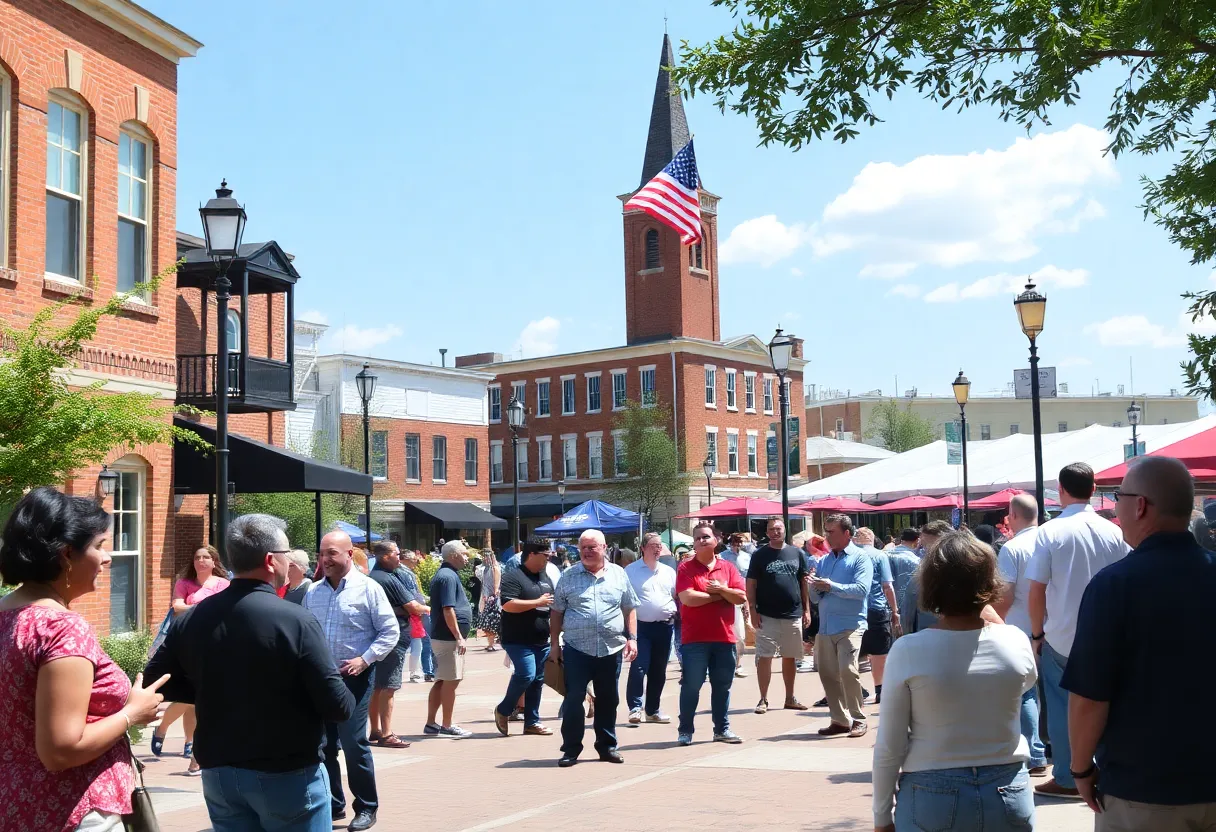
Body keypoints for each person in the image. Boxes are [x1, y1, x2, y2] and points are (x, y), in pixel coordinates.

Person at [147, 514, 355, 832]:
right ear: (272, 560)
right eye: (287, 555)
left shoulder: (194, 617)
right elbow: (338, 705)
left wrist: (211, 691)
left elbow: (156, 680)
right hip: (286, 771)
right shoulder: (296, 620)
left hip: (220, 771)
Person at [0, 487, 169, 832]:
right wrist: (131, 714)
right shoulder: (62, 628)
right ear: (66, 555)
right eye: (99, 546)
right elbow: (60, 750)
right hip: (73, 809)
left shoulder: (6, 614)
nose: (108, 558)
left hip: (13, 804)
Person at [1063, 457, 1216, 827]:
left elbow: (1089, 698)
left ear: (1140, 505)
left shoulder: (1113, 586)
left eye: (1118, 497)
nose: (1116, 508)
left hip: (1143, 791)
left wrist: (1080, 770)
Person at [872, 531, 1038, 832]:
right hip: (1007, 786)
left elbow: (890, 744)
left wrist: (882, 816)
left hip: (931, 789)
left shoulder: (909, 650)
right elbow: (1026, 682)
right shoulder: (1015, 640)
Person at [1026, 463, 1129, 798]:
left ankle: (1070, 775)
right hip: (1108, 632)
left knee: (1061, 708)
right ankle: (1106, 767)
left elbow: (1037, 588)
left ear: (1061, 488)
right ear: (1094, 486)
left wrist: (1037, 633)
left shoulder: (1050, 531)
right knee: (1108, 704)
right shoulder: (1113, 530)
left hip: (1061, 633)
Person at [303, 530, 399, 830]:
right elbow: (307, 634)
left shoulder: (368, 589)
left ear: (349, 554)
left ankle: (367, 807)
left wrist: (364, 659)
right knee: (324, 746)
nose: (325, 559)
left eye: (331, 552)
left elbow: (390, 632)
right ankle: (334, 804)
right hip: (322, 679)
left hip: (354, 679)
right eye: (322, 552)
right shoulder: (313, 592)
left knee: (353, 743)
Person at [551, 529, 639, 767]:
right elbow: (557, 612)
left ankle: (607, 747)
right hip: (576, 649)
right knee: (574, 700)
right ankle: (570, 749)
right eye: (583, 548)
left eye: (592, 547)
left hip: (611, 649)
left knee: (609, 700)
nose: (588, 552)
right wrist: (554, 646)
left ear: (604, 548)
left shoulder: (619, 574)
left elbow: (629, 607)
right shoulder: (568, 576)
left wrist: (632, 638)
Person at [151, 544, 230, 774]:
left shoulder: (223, 585)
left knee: (196, 699)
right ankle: (170, 732)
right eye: (197, 557)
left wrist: (193, 607)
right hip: (188, 643)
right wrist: (206, 608)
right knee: (191, 697)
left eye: (206, 557)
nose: (201, 561)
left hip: (215, 644)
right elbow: (177, 607)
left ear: (214, 562)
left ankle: (189, 744)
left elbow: (223, 609)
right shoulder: (184, 583)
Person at [991, 493, 1048, 776]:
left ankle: (1036, 753)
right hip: (1057, 627)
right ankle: (1050, 749)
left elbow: (1006, 594)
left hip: (1022, 629)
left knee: (1026, 693)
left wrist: (993, 623)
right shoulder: (1051, 540)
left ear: (1013, 517)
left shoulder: (1012, 548)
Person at [676, 521, 748, 745]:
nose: (701, 540)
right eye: (697, 538)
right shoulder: (685, 568)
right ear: (694, 545)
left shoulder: (728, 568)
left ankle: (722, 730)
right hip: (694, 639)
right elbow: (688, 598)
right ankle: (685, 730)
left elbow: (741, 597)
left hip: (724, 638)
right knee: (692, 686)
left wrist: (723, 590)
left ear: (716, 541)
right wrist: (721, 596)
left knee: (722, 687)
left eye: (706, 536)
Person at [810, 514, 874, 737]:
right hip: (826, 627)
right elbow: (817, 598)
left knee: (848, 670)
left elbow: (861, 590)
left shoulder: (860, 558)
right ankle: (839, 719)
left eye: (831, 531)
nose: (826, 536)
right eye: (826, 531)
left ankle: (858, 718)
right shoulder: (825, 560)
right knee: (827, 674)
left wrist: (830, 586)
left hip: (850, 625)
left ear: (847, 533)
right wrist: (814, 586)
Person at [746, 517, 811, 714]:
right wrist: (752, 610)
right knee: (764, 656)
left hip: (793, 614)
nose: (776, 532)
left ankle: (790, 697)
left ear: (785, 530)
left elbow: (803, 582)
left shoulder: (797, 553)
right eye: (772, 529)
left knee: (790, 656)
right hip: (766, 615)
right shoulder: (759, 555)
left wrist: (806, 609)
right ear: (767, 533)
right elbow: (751, 584)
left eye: (779, 528)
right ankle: (763, 699)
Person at [494, 541, 556, 736]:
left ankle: (532, 722)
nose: (548, 559)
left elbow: (552, 605)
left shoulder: (544, 577)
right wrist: (537, 602)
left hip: (541, 639)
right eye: (545, 555)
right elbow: (508, 604)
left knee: (537, 680)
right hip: (517, 639)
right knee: (526, 674)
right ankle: (503, 710)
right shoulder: (513, 576)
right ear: (531, 554)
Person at [367, 542, 424, 749]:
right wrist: (429, 608)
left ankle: (375, 729)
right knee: (388, 686)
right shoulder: (387, 578)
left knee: (378, 686)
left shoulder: (372, 578)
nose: (399, 558)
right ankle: (387, 733)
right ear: (384, 557)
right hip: (393, 637)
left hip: (377, 636)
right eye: (396, 554)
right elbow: (413, 606)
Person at [623, 532, 677, 725]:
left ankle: (652, 710)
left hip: (664, 628)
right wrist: (628, 633)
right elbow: (625, 602)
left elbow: (675, 595)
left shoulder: (668, 571)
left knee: (659, 670)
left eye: (660, 545)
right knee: (639, 667)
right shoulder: (631, 571)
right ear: (643, 548)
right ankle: (635, 708)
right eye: (654, 545)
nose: (658, 549)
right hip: (641, 628)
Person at [424, 540, 474, 737]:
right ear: (453, 555)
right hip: (447, 638)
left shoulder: (448, 574)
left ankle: (432, 723)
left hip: (444, 637)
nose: (467, 557)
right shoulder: (447, 577)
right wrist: (459, 636)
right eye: (464, 553)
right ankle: (446, 725)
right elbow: (448, 609)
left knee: (443, 681)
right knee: (451, 681)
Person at [853, 527, 898, 705]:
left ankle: (855, 688)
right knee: (879, 652)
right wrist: (895, 610)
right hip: (876, 608)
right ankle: (880, 690)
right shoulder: (880, 556)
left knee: (853, 651)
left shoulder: (851, 555)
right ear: (872, 539)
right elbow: (887, 586)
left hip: (854, 608)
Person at [898, 520, 952, 633]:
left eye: (929, 546)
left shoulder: (963, 572)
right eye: (923, 546)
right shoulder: (921, 571)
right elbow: (909, 610)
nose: (925, 551)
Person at [721, 532, 753, 677]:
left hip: (743, 598)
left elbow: (750, 580)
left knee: (741, 634)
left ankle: (737, 663)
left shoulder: (748, 558)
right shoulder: (723, 557)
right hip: (727, 598)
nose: (739, 544)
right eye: (737, 541)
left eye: (742, 542)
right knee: (728, 633)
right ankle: (728, 664)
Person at [479, 548, 502, 651]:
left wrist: (491, 598)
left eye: (486, 556)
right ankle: (490, 643)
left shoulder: (495, 569)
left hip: (492, 599)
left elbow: (496, 587)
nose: (484, 559)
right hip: (486, 597)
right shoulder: (485, 569)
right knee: (486, 624)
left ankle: (491, 644)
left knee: (491, 623)